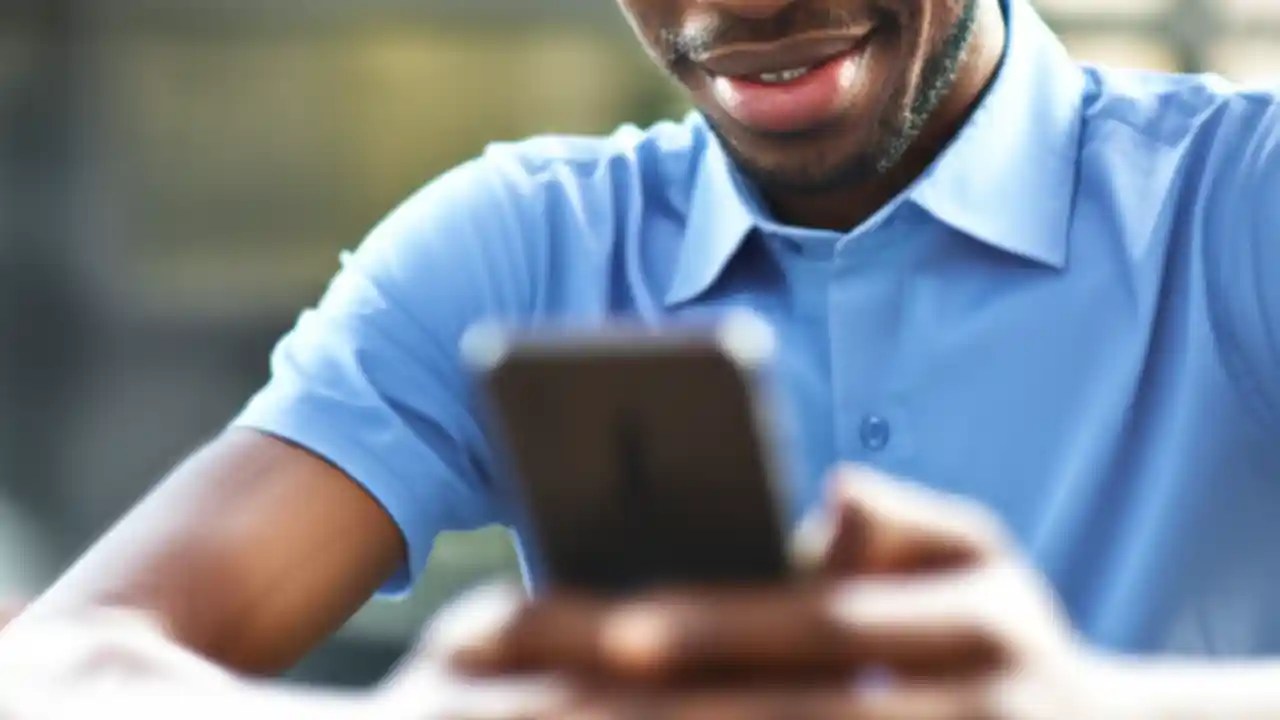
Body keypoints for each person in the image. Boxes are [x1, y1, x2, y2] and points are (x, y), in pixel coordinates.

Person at [7, 0, 1280, 713]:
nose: (733, 8)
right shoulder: (520, 242)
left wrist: (1078, 704)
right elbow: (53, 669)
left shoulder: (1240, 203)